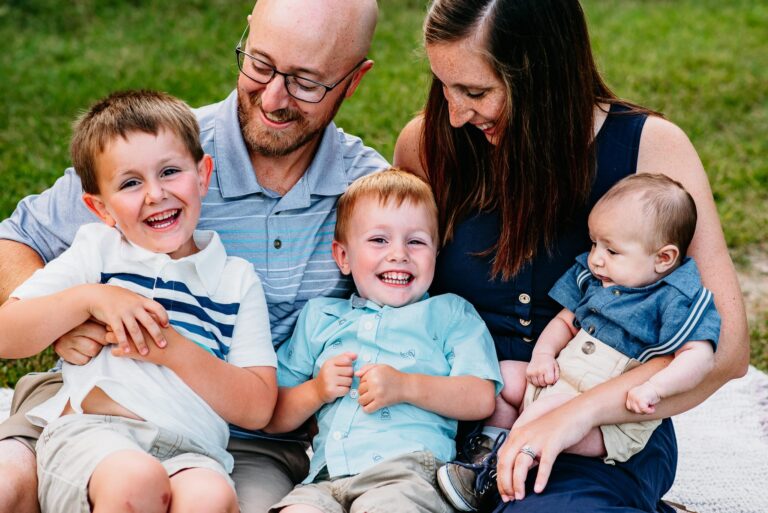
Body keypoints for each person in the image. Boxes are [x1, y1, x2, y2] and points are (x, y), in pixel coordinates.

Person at [0, 1, 385, 512]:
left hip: (243, 445)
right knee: (11, 486)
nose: (273, 97)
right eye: (261, 64)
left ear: (353, 82)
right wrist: (72, 314)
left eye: (306, 82)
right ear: (247, 36)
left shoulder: (368, 195)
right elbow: (15, 242)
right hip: (92, 407)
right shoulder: (158, 148)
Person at [394, 0, 748, 512]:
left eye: (476, 92)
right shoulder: (428, 143)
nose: (454, 113)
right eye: (443, 85)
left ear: (545, 77)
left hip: (594, 435)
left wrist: (574, 415)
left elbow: (729, 349)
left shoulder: (650, 150)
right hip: (448, 418)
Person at [0, 89, 278, 513]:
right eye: (130, 183)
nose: (155, 194)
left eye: (170, 172)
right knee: (135, 480)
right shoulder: (98, 252)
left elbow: (258, 406)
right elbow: (7, 334)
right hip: (94, 433)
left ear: (203, 174)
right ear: (101, 208)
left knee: (211, 498)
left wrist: (171, 348)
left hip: (193, 450)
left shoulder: (235, 280)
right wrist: (91, 298)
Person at [437, 173, 721, 512]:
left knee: (541, 415)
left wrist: (656, 388)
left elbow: (698, 356)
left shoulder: (674, 298)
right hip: (561, 382)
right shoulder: (598, 278)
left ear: (663, 258)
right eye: (594, 244)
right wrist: (543, 355)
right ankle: (486, 448)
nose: (596, 258)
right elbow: (565, 321)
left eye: (612, 250)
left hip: (610, 421)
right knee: (497, 379)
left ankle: (490, 474)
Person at [264, 169, 503, 513]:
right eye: (379, 240)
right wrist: (316, 391)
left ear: (436, 253)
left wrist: (406, 386)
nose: (398, 254)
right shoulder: (321, 318)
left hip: (405, 476)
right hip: (325, 479)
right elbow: (274, 413)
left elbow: (481, 398)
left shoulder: (450, 314)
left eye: (416, 241)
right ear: (343, 257)